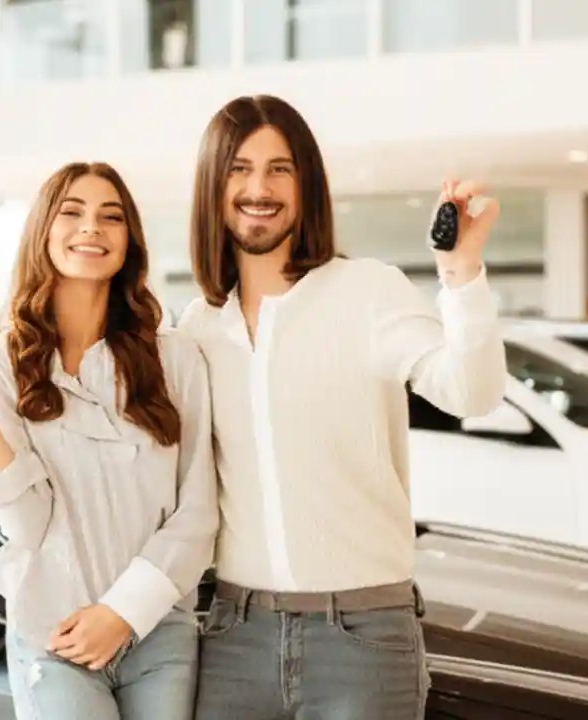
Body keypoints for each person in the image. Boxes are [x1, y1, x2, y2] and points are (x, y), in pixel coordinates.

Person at [180, 95, 507, 719]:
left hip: (362, 639)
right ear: (213, 187)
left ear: (307, 185)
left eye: (280, 168)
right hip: (233, 637)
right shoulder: (199, 327)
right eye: (239, 169)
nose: (259, 187)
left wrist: (461, 270)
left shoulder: (368, 290)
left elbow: (473, 391)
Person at [0, 161, 217, 720]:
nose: (92, 228)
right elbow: (27, 523)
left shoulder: (176, 359)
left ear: (130, 241)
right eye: (72, 212)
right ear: (43, 232)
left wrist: (122, 613)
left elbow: (197, 514)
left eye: (112, 216)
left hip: (159, 633)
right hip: (52, 635)